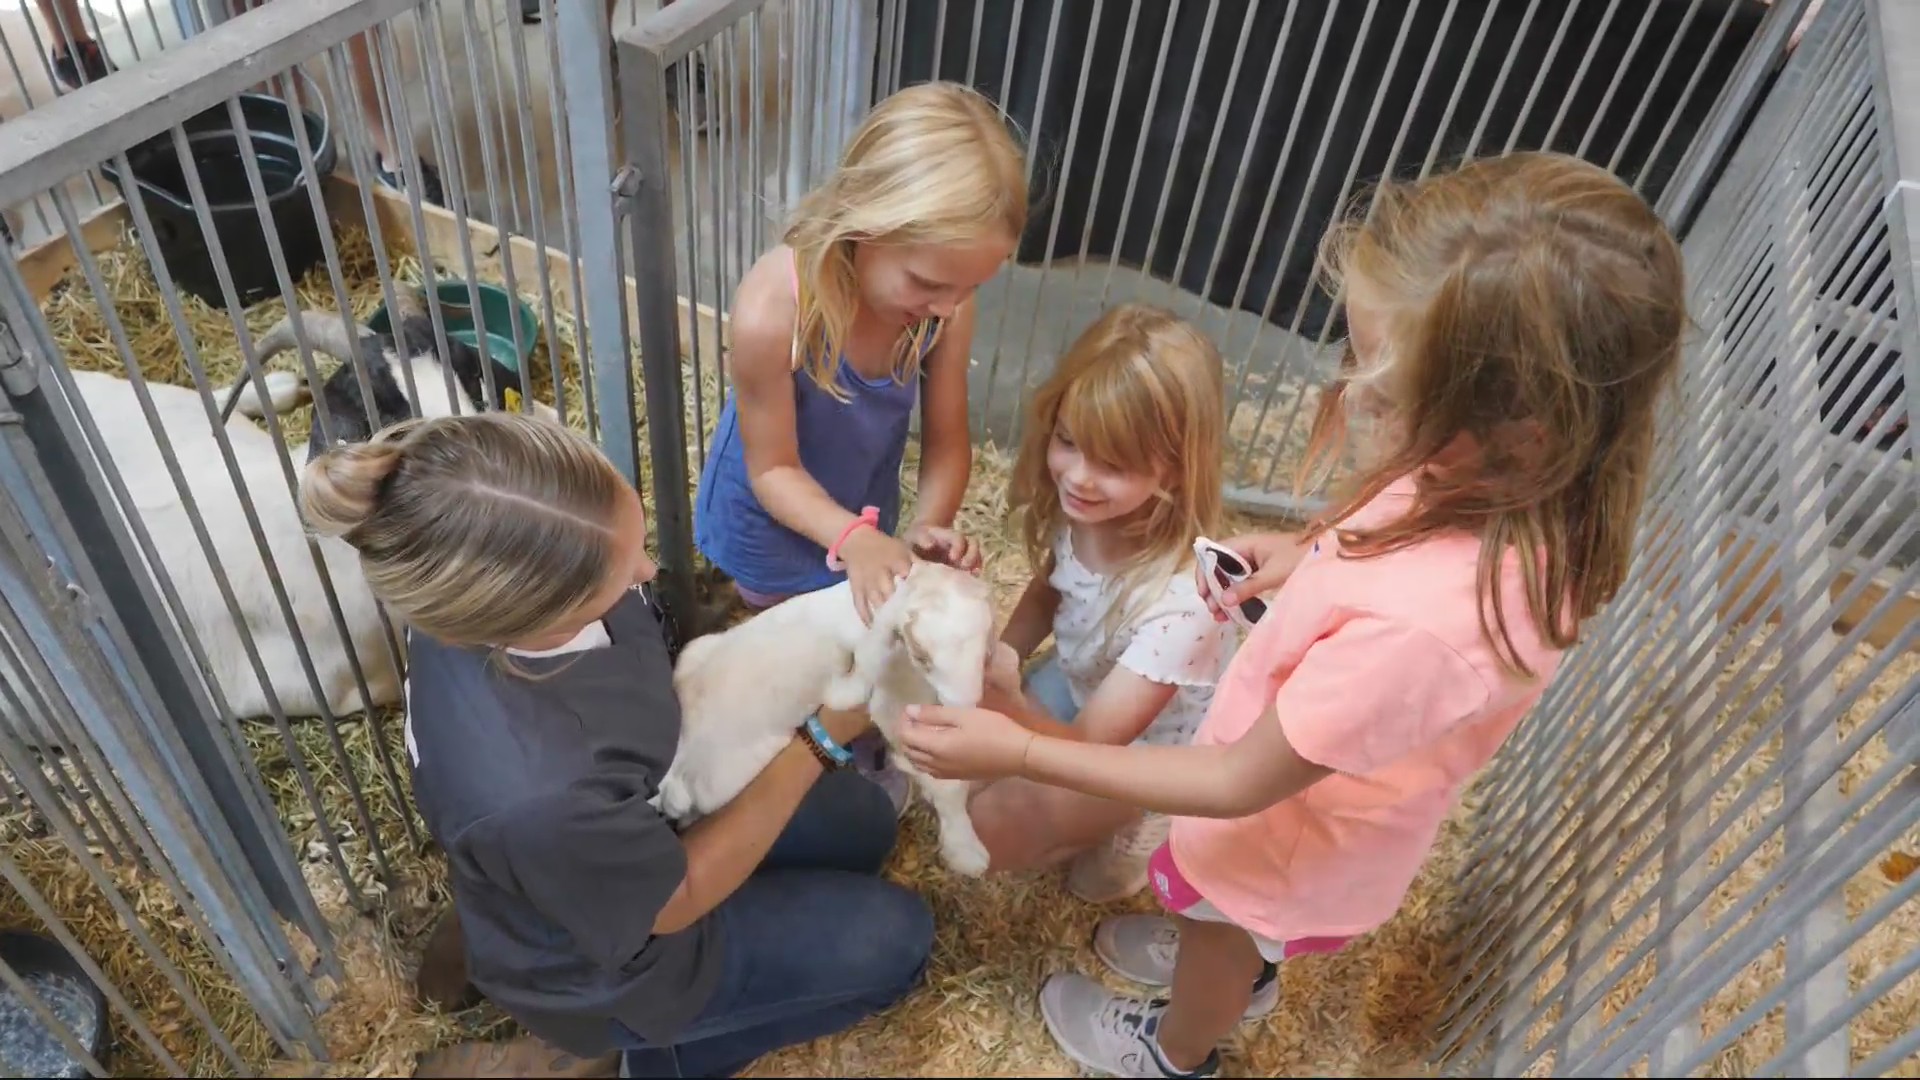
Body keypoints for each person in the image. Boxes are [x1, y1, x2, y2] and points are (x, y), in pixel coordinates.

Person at [896, 150, 1689, 1078]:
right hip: (1283, 789)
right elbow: (1378, 542)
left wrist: (1020, 748)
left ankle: (1178, 1048)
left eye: (1388, 393)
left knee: (1226, 923)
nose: (1351, 395)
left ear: (1521, 431)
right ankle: (1235, 966)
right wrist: (1306, 557)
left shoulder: (1426, 630)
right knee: (1222, 926)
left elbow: (1236, 781)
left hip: (1282, 838)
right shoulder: (1492, 494)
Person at [299, 410, 934, 1079]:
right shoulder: (536, 789)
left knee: (863, 827)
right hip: (614, 957)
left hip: (635, 821)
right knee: (900, 943)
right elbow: (674, 900)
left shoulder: (473, 595)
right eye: (621, 569)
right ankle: (648, 1056)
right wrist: (821, 739)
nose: (649, 567)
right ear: (539, 609)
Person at [692, 78, 1027, 811]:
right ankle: (800, 748)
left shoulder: (943, 309)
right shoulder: (773, 309)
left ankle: (851, 734)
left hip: (862, 507)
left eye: (968, 289)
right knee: (798, 636)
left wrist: (926, 528)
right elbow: (773, 469)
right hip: (777, 514)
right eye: (931, 282)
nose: (946, 306)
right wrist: (853, 540)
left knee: (861, 625)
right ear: (866, 222)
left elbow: (947, 445)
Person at [965, 302, 1234, 905]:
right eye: (1068, 442)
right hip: (1087, 687)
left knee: (1065, 872)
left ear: (1177, 466)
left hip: (1145, 758)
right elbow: (1049, 587)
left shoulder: (1182, 606)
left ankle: (1146, 827)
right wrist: (1005, 654)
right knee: (965, 783)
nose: (1079, 478)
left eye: (1113, 463)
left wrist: (1000, 704)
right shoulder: (1086, 510)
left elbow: (1089, 750)